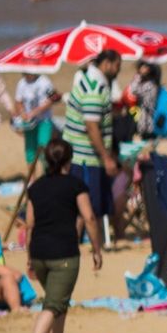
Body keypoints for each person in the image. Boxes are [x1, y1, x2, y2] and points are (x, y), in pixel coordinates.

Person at [19, 139, 103, 333]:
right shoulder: (75, 186)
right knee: (53, 304)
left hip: (39, 253)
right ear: (69, 159)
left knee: (59, 300)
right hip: (63, 254)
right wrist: (96, 250)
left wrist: (29, 258)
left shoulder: (35, 188)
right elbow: (89, 218)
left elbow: (30, 225)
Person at [60, 47, 120, 244]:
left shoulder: (93, 82)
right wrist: (106, 157)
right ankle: (83, 243)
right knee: (86, 204)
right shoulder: (95, 88)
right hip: (84, 156)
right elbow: (92, 127)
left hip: (84, 154)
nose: (119, 70)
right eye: (117, 65)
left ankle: (76, 240)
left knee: (84, 204)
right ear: (107, 64)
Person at [13, 69, 58, 181]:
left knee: (44, 149)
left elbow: (52, 99)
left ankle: (47, 177)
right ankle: (32, 180)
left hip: (44, 121)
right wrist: (22, 113)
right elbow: (18, 101)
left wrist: (35, 112)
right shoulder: (21, 83)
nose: (28, 74)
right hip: (29, 123)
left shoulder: (44, 81)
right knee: (30, 150)